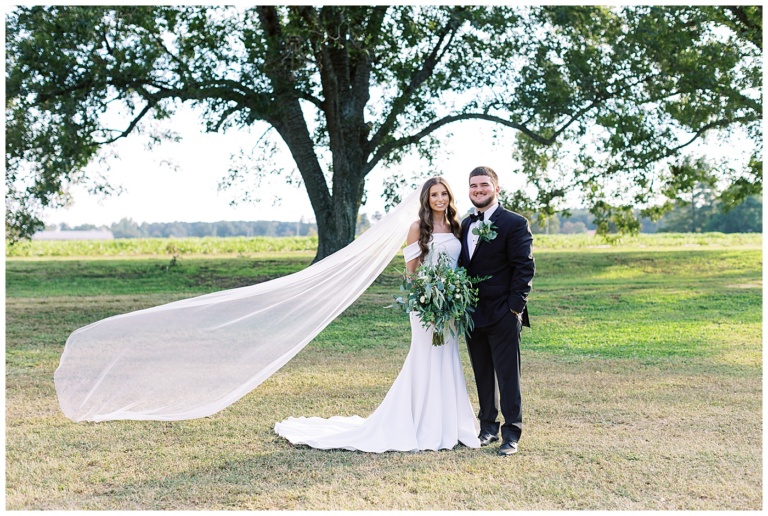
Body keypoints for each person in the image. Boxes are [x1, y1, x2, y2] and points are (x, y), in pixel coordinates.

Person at [274, 177, 481, 452]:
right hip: (426, 307)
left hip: (451, 307)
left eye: (444, 193)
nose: (440, 199)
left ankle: (450, 424)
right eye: (434, 195)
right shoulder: (418, 227)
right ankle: (420, 424)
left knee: (448, 359)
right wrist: (427, 299)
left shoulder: (457, 227)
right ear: (426, 199)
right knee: (425, 359)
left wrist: (454, 295)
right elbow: (412, 271)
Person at [460, 166, 535, 456]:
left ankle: (511, 433)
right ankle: (488, 427)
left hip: (504, 313)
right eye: (473, 186)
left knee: (508, 376)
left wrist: (514, 309)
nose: (478, 190)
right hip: (472, 314)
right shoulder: (466, 224)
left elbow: (524, 268)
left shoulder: (515, 223)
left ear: (496, 189)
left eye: (484, 185)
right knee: (482, 373)